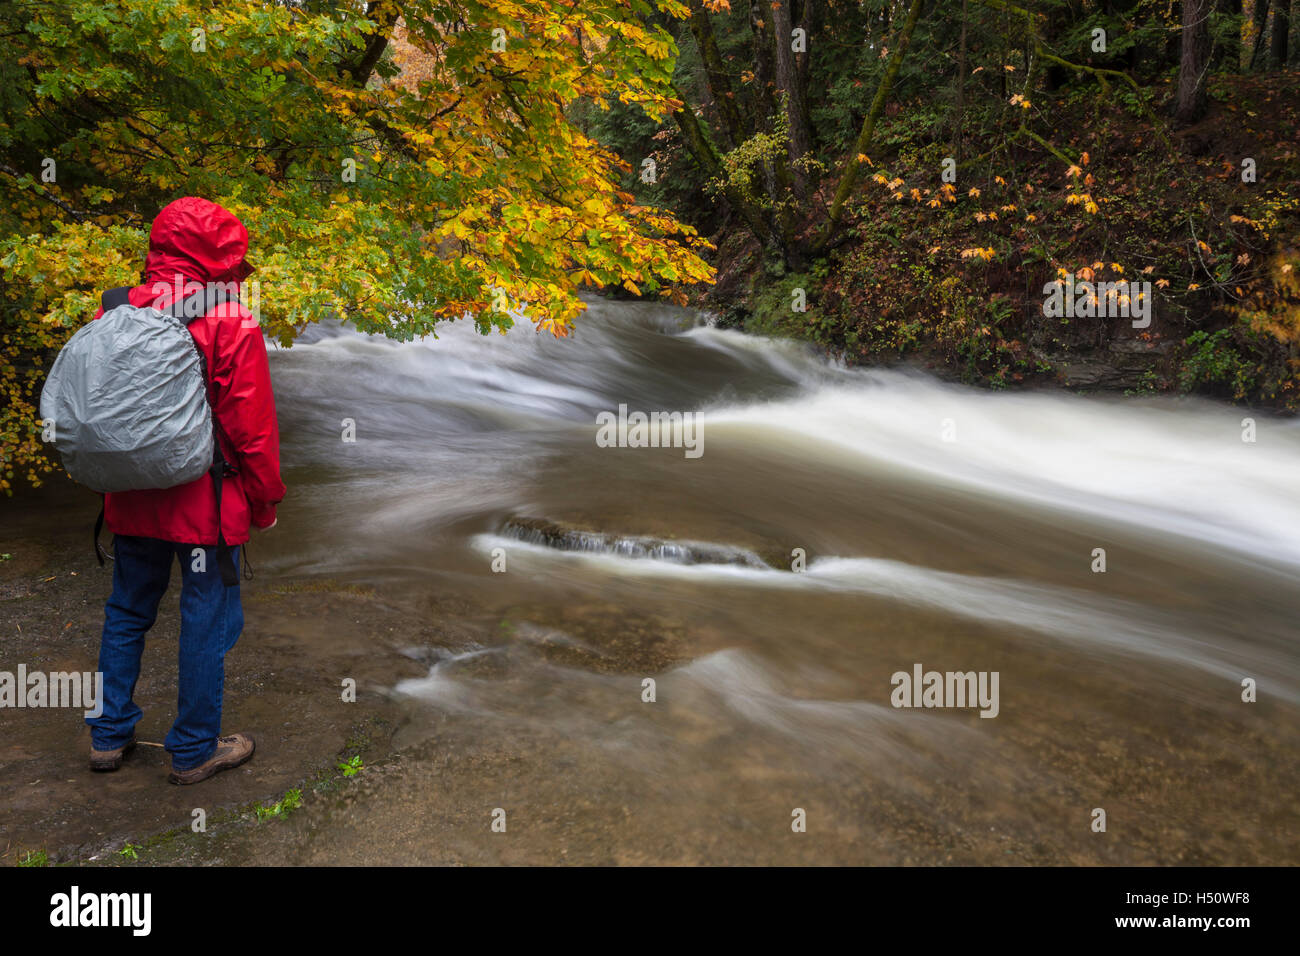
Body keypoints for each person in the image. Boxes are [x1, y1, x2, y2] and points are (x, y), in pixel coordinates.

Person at [86, 197, 286, 785]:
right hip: (205, 503)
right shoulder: (231, 317)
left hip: (129, 493)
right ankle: (195, 749)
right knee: (206, 619)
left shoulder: (115, 311)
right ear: (224, 254)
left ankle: (108, 736)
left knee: (126, 610)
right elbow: (252, 428)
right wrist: (265, 501)